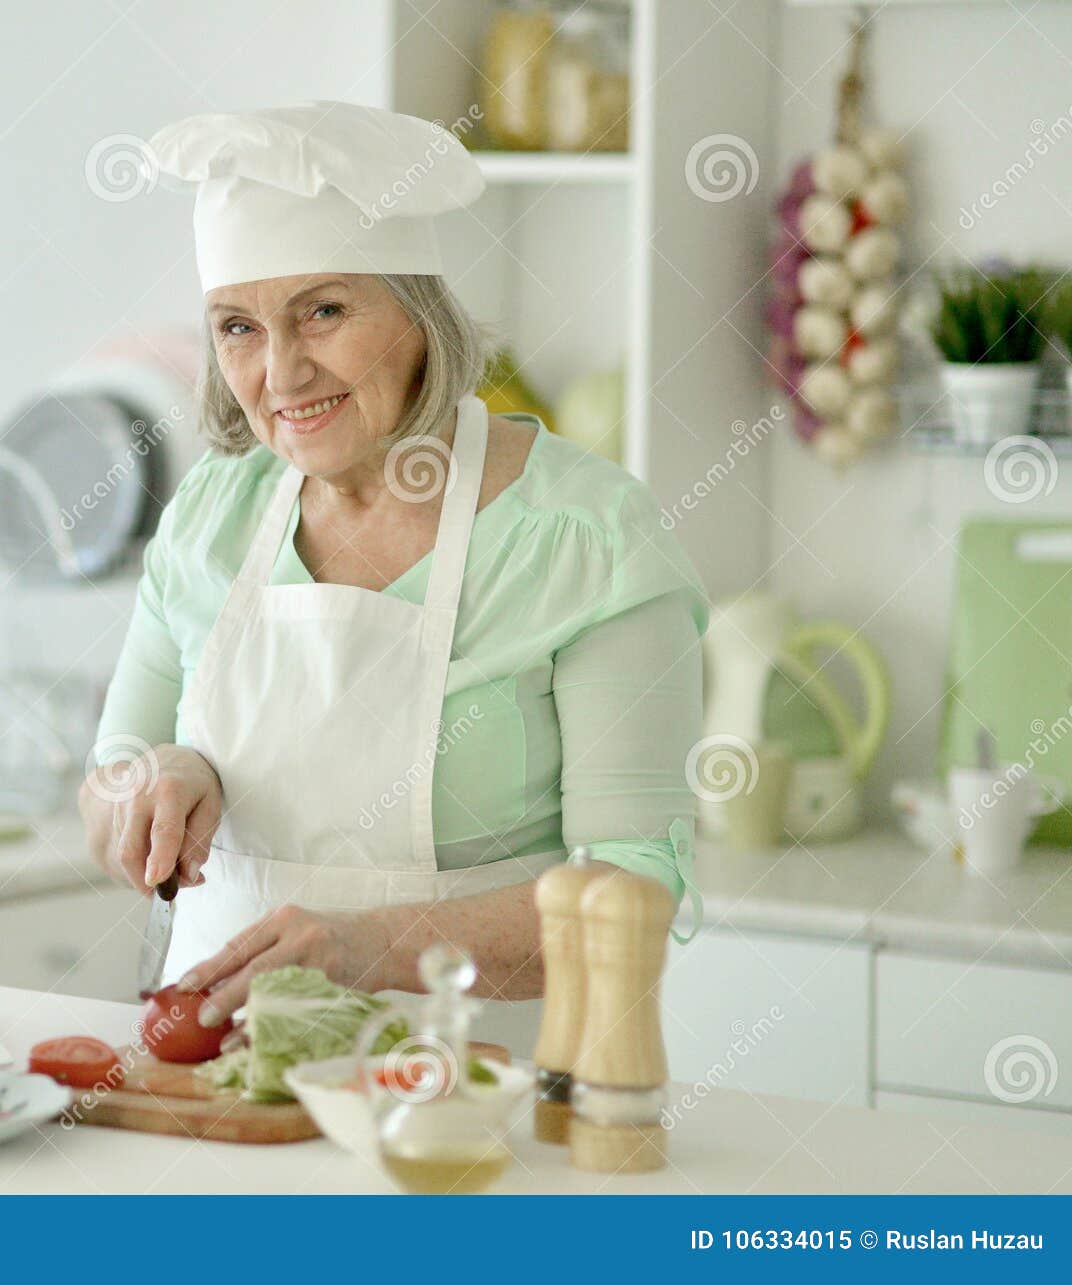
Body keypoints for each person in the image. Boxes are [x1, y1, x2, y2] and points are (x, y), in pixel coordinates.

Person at [79, 102, 707, 1028]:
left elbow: (633, 894)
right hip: (222, 1075)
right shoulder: (212, 515)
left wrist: (373, 946)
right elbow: (108, 784)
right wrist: (151, 782)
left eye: (323, 312)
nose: (281, 374)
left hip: (480, 1083)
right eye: (238, 327)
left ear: (420, 312)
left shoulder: (587, 535)